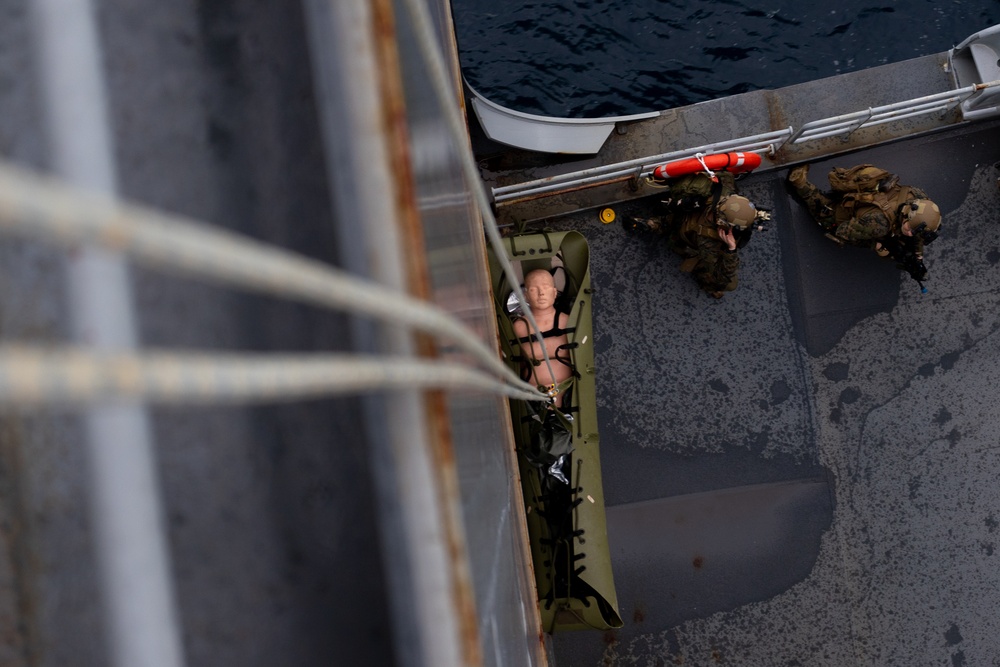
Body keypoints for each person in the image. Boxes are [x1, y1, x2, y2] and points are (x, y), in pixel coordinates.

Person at [787, 163, 941, 284]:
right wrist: (876, 245)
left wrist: (918, 256)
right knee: (826, 216)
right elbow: (842, 232)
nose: (910, 234)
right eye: (911, 229)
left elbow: (917, 228)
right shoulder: (879, 225)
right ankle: (800, 182)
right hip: (848, 212)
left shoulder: (919, 199)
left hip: (873, 199)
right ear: (906, 216)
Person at [645, 170, 761, 299]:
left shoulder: (725, 189)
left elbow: (725, 174)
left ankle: (654, 224)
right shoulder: (708, 241)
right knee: (730, 285)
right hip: (680, 233)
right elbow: (722, 278)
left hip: (681, 211)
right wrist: (731, 250)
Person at [512, 269, 573, 407]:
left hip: (569, 393)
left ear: (555, 292)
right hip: (532, 397)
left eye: (546, 287)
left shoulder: (569, 321)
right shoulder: (519, 327)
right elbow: (515, 363)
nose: (541, 293)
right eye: (534, 289)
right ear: (526, 295)